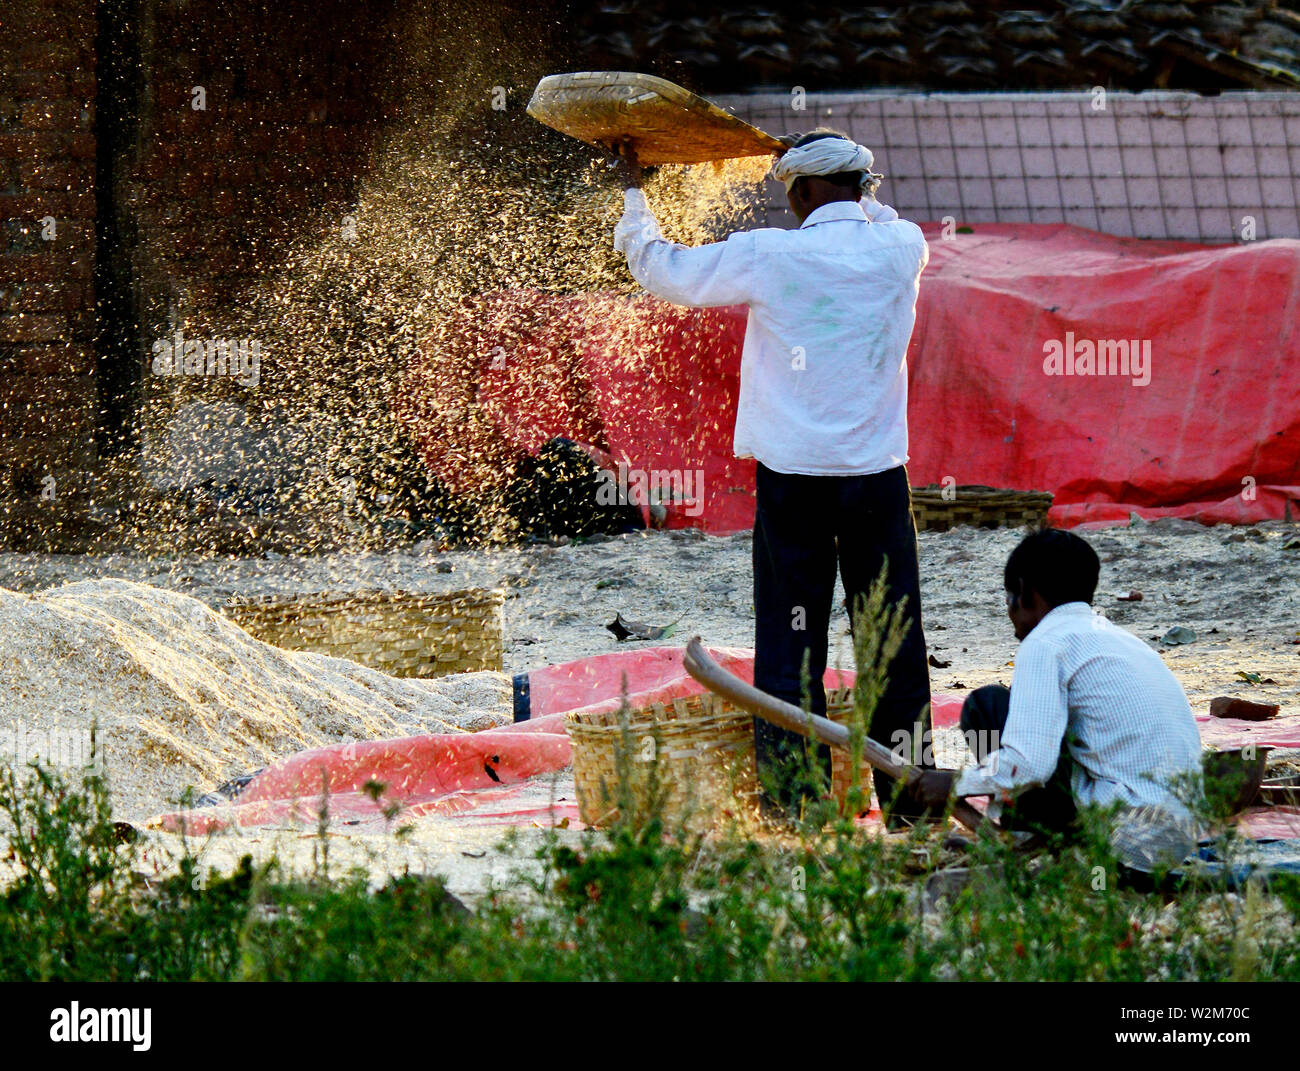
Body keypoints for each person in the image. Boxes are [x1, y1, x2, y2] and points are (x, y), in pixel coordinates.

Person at [611, 130, 934, 819]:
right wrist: (835, 169)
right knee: (892, 644)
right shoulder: (904, 247)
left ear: (804, 192)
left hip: (794, 486)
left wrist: (634, 191)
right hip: (877, 480)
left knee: (791, 644)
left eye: (792, 190)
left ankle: (796, 806)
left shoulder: (769, 255)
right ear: (861, 188)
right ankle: (910, 807)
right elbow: (871, 215)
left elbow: (663, 269)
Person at [911, 529, 1204, 868]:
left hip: (1127, 843)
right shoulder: (1119, 639)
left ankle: (1025, 836)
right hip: (1178, 838)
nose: (1010, 616)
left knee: (988, 706)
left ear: (1024, 592)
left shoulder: (1045, 643)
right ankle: (1029, 835)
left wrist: (955, 783)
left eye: (1008, 598)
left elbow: (1031, 763)